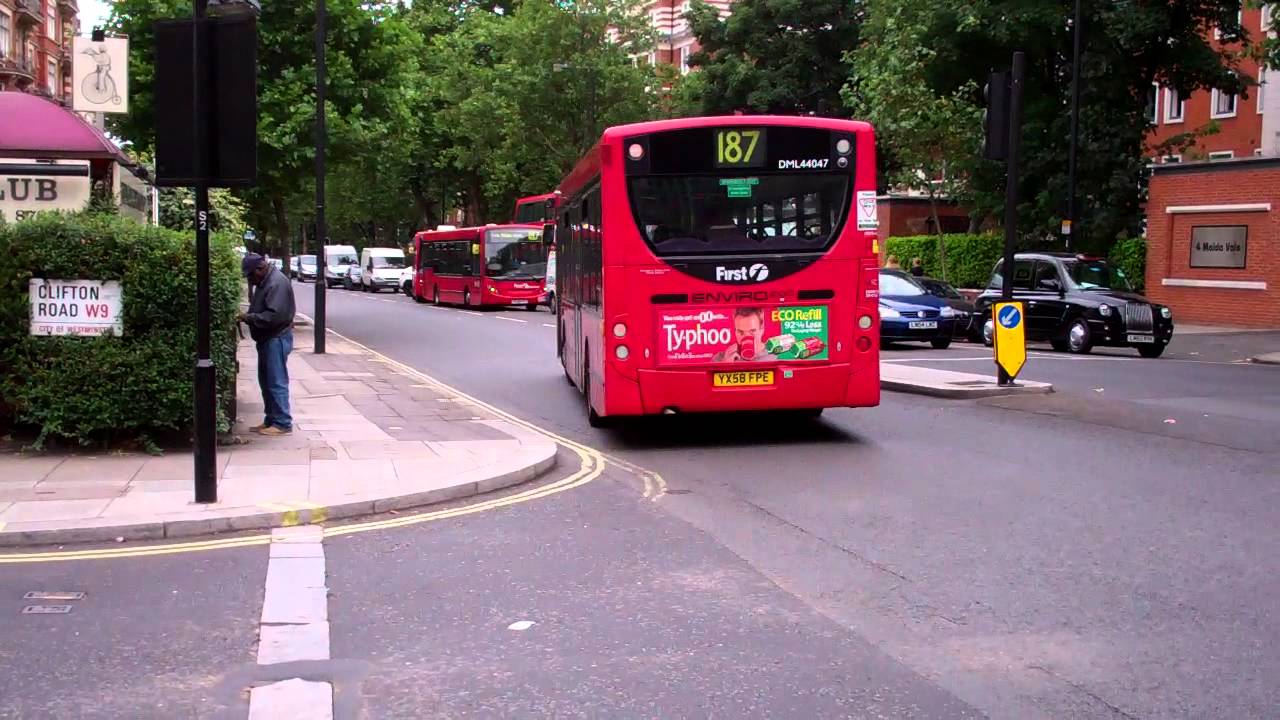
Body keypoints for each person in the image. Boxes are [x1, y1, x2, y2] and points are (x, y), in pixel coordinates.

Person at [237, 253, 297, 436]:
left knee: (276, 381)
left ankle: (282, 422)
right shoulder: (266, 281)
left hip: (276, 338)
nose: (250, 280)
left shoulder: (275, 283)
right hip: (268, 338)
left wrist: (249, 317)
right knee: (266, 381)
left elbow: (273, 316)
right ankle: (271, 419)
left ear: (260, 269)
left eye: (250, 275)